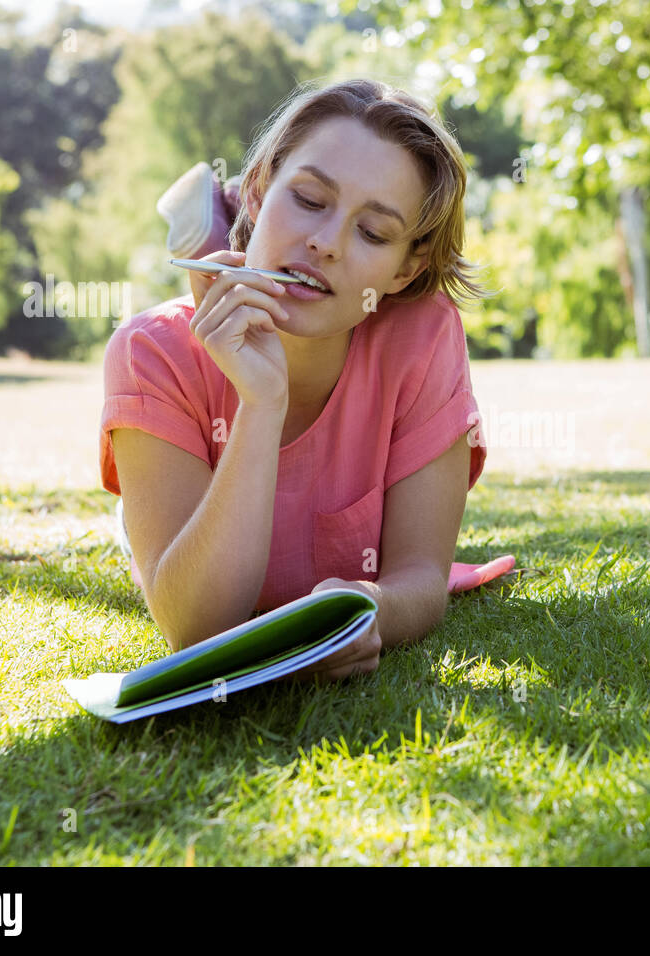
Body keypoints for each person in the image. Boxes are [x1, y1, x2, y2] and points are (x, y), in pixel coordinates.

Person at [100, 78, 512, 684]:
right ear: (262, 190)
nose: (326, 243)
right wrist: (261, 404)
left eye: (372, 233)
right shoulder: (150, 352)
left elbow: (423, 577)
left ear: (407, 268)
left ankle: (231, 234)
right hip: (180, 503)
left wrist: (374, 610)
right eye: (309, 199)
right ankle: (230, 231)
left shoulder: (422, 338)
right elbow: (197, 628)